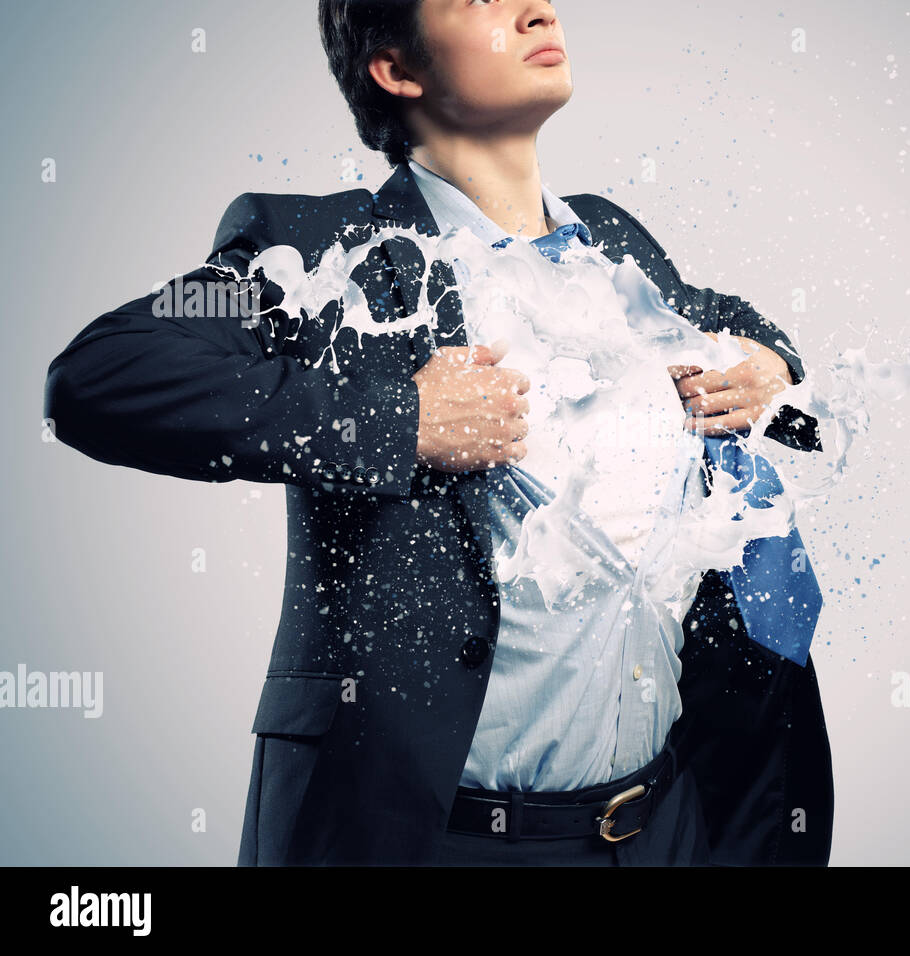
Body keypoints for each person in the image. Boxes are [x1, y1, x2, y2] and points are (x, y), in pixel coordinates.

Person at [42, 0, 834, 865]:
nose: (537, 8)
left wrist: (774, 365)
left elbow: (722, 321)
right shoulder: (313, 256)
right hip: (423, 838)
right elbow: (100, 375)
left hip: (660, 831)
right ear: (397, 69)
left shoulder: (614, 243)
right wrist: (401, 422)